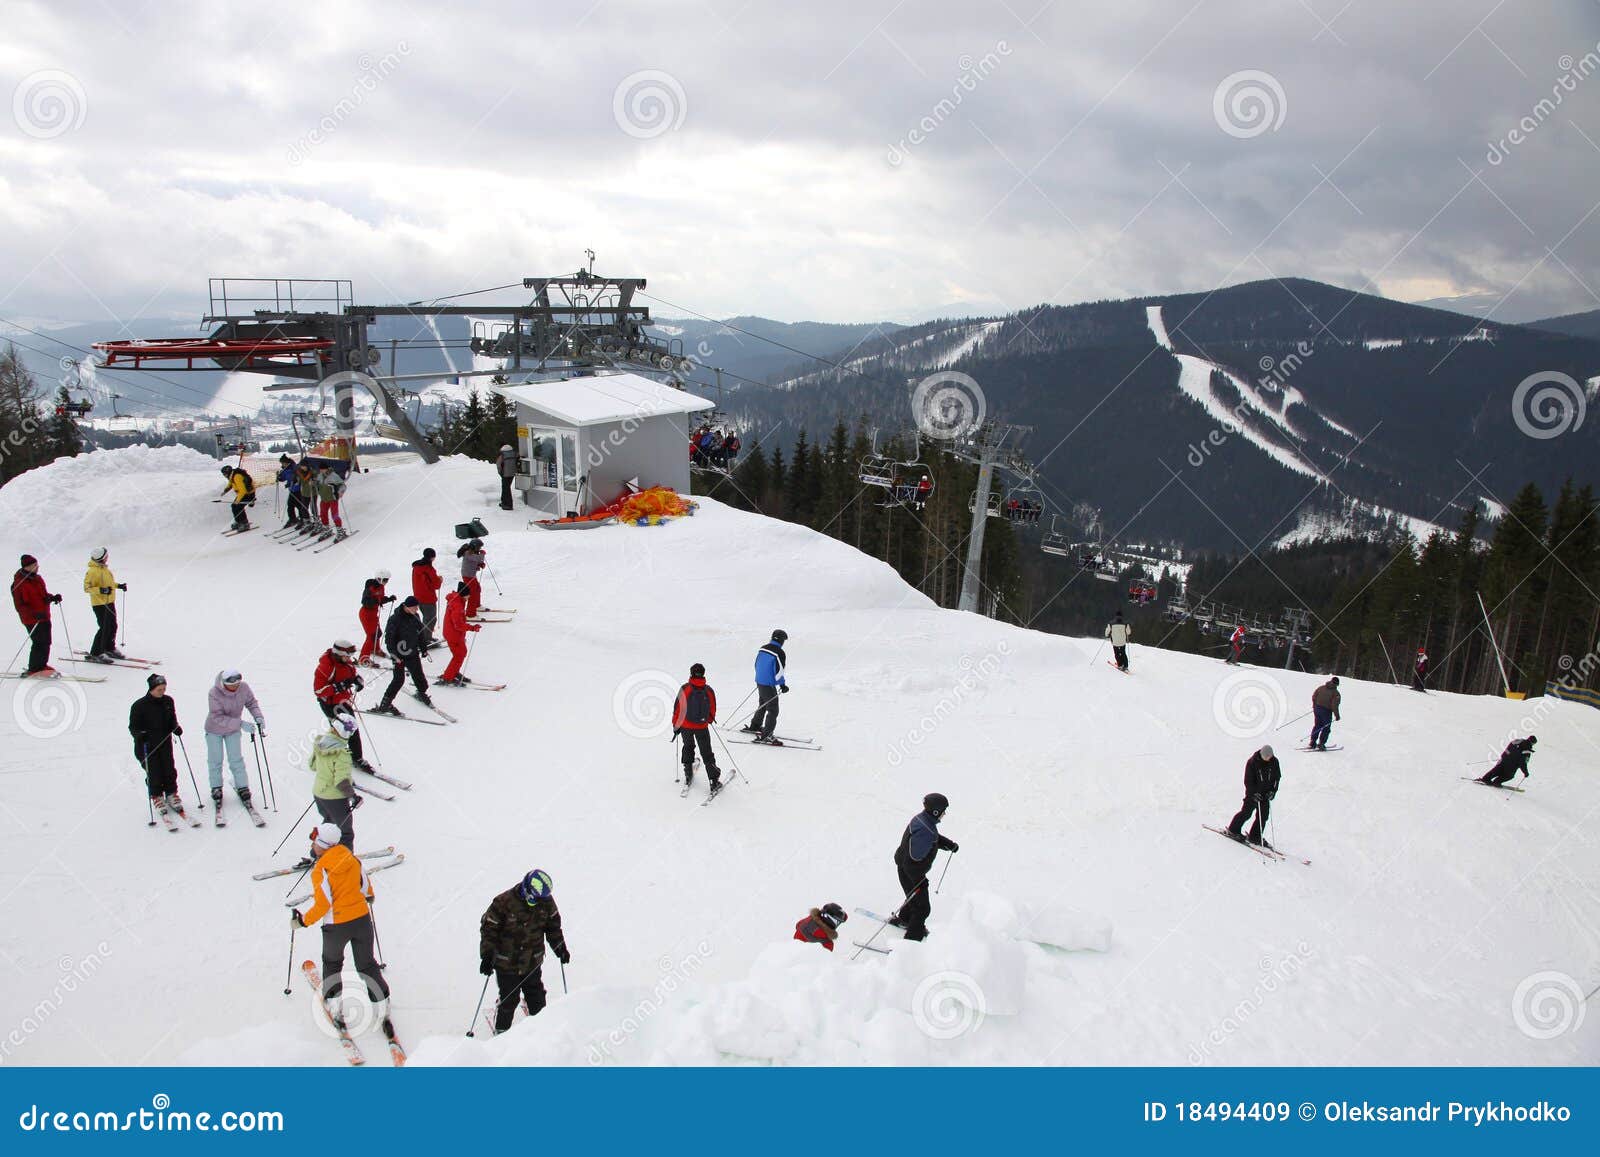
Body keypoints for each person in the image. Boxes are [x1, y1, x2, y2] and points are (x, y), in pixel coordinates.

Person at [292, 820, 390, 1027]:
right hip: (362, 920)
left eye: (314, 842)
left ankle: (335, 1005)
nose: (311, 846)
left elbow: (323, 904)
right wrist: (369, 896)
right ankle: (381, 1002)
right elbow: (364, 884)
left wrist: (302, 921)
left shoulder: (321, 870)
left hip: (336, 925)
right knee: (366, 963)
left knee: (332, 963)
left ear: (324, 845)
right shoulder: (351, 858)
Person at [479, 870, 570, 1035]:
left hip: (532, 961)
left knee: (537, 997)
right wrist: (487, 955)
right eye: (534, 899)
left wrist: (560, 947)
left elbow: (553, 927)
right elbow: (489, 930)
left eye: (539, 900)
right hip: (506, 963)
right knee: (509, 999)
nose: (536, 902)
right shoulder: (503, 902)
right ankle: (501, 1034)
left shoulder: (547, 903)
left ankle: (541, 1031)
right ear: (526, 889)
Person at [889, 793, 958, 941]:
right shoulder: (926, 829)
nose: (944, 813)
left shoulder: (923, 821)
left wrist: (949, 844)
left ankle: (905, 920)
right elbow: (913, 860)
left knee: (914, 899)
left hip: (904, 867)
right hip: (909, 870)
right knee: (923, 908)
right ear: (936, 811)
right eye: (943, 811)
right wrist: (920, 880)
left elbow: (933, 838)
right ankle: (912, 940)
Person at [205, 669, 264, 817]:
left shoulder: (243, 688)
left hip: (232, 731)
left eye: (238, 684)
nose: (236, 687)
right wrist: (241, 724)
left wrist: (258, 717)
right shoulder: (214, 693)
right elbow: (217, 717)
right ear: (224, 683)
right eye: (232, 685)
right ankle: (216, 787)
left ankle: (242, 787)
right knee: (215, 760)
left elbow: (251, 703)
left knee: (236, 759)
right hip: (214, 730)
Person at [314, 639, 376, 773]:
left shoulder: (346, 663)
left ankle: (357, 758)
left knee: (352, 729)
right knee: (339, 732)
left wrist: (357, 680)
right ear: (338, 653)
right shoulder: (325, 667)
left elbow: (352, 674)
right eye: (346, 656)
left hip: (342, 702)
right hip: (330, 704)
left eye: (349, 656)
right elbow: (318, 691)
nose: (349, 658)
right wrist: (338, 687)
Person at [129, 672, 186, 817]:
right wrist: (139, 735)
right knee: (154, 771)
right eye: (159, 689)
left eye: (164, 689)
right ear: (151, 688)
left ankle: (171, 793)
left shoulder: (168, 701)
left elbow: (172, 719)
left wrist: (175, 727)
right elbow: (133, 727)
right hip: (146, 745)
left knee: (169, 768)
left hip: (165, 742)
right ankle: (156, 796)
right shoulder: (139, 705)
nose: (162, 692)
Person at [372, 597, 432, 713]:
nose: (416, 609)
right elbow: (389, 640)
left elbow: (420, 635)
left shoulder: (416, 617)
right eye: (414, 607)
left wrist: (424, 649)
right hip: (399, 656)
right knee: (398, 680)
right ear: (406, 607)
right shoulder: (394, 619)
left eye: (417, 607)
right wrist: (394, 655)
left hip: (412, 653)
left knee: (419, 675)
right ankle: (385, 704)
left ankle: (421, 693)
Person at [311, 715, 361, 849]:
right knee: (345, 833)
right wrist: (353, 797)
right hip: (335, 798)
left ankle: (316, 854)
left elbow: (313, 765)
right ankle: (345, 863)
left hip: (318, 794)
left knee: (329, 826)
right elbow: (341, 782)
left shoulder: (321, 742)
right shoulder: (342, 753)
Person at [672, 662, 722, 793]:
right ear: (703, 674)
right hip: (702, 726)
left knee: (688, 746)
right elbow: (712, 707)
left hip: (686, 726)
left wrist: (676, 726)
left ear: (691, 673)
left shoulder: (685, 689)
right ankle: (713, 780)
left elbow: (678, 708)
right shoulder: (708, 690)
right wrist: (709, 719)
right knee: (706, 752)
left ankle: (688, 772)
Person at [11, 554, 63, 677]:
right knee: (39, 642)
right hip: (31, 619)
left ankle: (42, 665)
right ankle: (34, 668)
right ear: (27, 567)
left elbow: (43, 596)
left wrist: (52, 597)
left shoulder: (38, 579)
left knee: (46, 642)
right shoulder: (19, 584)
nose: (37, 567)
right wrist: (34, 614)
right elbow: (20, 606)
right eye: (34, 565)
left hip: (44, 616)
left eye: (37, 564)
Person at [1225, 745, 1281, 848]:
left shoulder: (1274, 762)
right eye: (1266, 757)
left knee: (1263, 816)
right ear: (1261, 754)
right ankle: (1233, 830)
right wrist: (1253, 793)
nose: (1268, 759)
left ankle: (1255, 837)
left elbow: (1277, 778)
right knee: (1246, 813)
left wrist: (1273, 791)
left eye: (1270, 757)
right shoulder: (1253, 762)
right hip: (1253, 794)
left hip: (1265, 794)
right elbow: (1248, 780)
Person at [82, 546, 127, 662]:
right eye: (106, 555)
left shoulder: (104, 569)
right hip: (99, 604)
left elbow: (109, 584)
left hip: (109, 602)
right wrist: (101, 590)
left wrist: (119, 586)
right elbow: (87, 588)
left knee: (112, 626)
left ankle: (109, 647)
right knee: (104, 628)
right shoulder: (92, 571)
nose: (108, 557)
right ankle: (96, 653)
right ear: (101, 558)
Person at [744, 629, 789, 744]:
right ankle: (767, 735)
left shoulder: (763, 647)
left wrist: (761, 677)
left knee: (763, 703)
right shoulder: (779, 652)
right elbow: (779, 671)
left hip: (760, 680)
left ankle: (755, 725)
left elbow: (756, 663)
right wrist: (782, 685)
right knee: (773, 709)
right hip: (768, 683)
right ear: (782, 641)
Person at [438, 582, 479, 685]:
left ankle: (454, 672)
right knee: (459, 655)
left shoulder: (457, 600)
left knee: (461, 653)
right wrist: (472, 628)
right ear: (463, 594)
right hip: (453, 634)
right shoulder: (457, 605)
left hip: (453, 633)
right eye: (468, 595)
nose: (469, 597)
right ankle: (448, 677)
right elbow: (458, 624)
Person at [358, 569, 396, 665]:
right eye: (385, 580)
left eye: (387, 580)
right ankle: (363, 658)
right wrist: (375, 601)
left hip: (373, 613)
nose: (386, 582)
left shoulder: (381, 587)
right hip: (366, 614)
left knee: (378, 633)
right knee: (372, 636)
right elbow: (365, 601)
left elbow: (380, 598)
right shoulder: (370, 588)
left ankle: (376, 649)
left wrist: (388, 599)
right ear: (379, 579)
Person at [411, 548, 442, 648]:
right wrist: (439, 579)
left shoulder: (417, 567)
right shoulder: (428, 569)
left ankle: (426, 637)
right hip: (428, 597)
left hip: (418, 596)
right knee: (430, 619)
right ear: (432, 557)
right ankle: (425, 640)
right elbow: (436, 585)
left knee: (427, 618)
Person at [314, 464, 347, 540]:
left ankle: (340, 532)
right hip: (324, 498)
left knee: (334, 515)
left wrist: (341, 492)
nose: (321, 471)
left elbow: (343, 485)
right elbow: (318, 483)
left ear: (326, 469)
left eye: (322, 469)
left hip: (333, 498)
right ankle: (327, 530)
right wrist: (314, 483)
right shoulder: (320, 475)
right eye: (320, 469)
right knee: (323, 515)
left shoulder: (334, 476)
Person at [1309, 676, 1341, 750]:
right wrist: (1337, 716)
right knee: (1326, 728)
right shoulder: (1335, 693)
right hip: (1326, 712)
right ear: (1336, 684)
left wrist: (1314, 705)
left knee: (1317, 725)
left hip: (1317, 709)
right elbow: (1334, 705)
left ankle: (1312, 742)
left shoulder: (1321, 688)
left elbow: (1314, 696)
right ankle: (1321, 744)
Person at [457, 539, 486, 618]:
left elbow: (476, 561)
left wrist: (480, 565)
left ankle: (477, 606)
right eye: (479, 547)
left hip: (471, 575)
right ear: (474, 546)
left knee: (477, 589)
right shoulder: (467, 553)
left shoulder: (472, 553)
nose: (479, 549)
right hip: (468, 576)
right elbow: (478, 559)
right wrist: (482, 554)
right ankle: (470, 614)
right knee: (472, 594)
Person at [278, 454, 308, 528]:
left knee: (299, 505)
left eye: (283, 463)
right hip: (292, 490)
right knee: (290, 505)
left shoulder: (294, 467)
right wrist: (279, 477)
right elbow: (284, 477)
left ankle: (303, 519)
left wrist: (292, 482)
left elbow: (299, 478)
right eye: (281, 463)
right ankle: (292, 519)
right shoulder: (285, 469)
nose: (282, 465)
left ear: (286, 462)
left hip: (298, 490)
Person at [496, 444, 518, 511]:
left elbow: (498, 465)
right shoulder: (515, 454)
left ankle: (508, 505)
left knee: (506, 489)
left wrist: (501, 473)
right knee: (506, 488)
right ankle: (504, 502)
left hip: (505, 474)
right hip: (512, 474)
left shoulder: (502, 455)